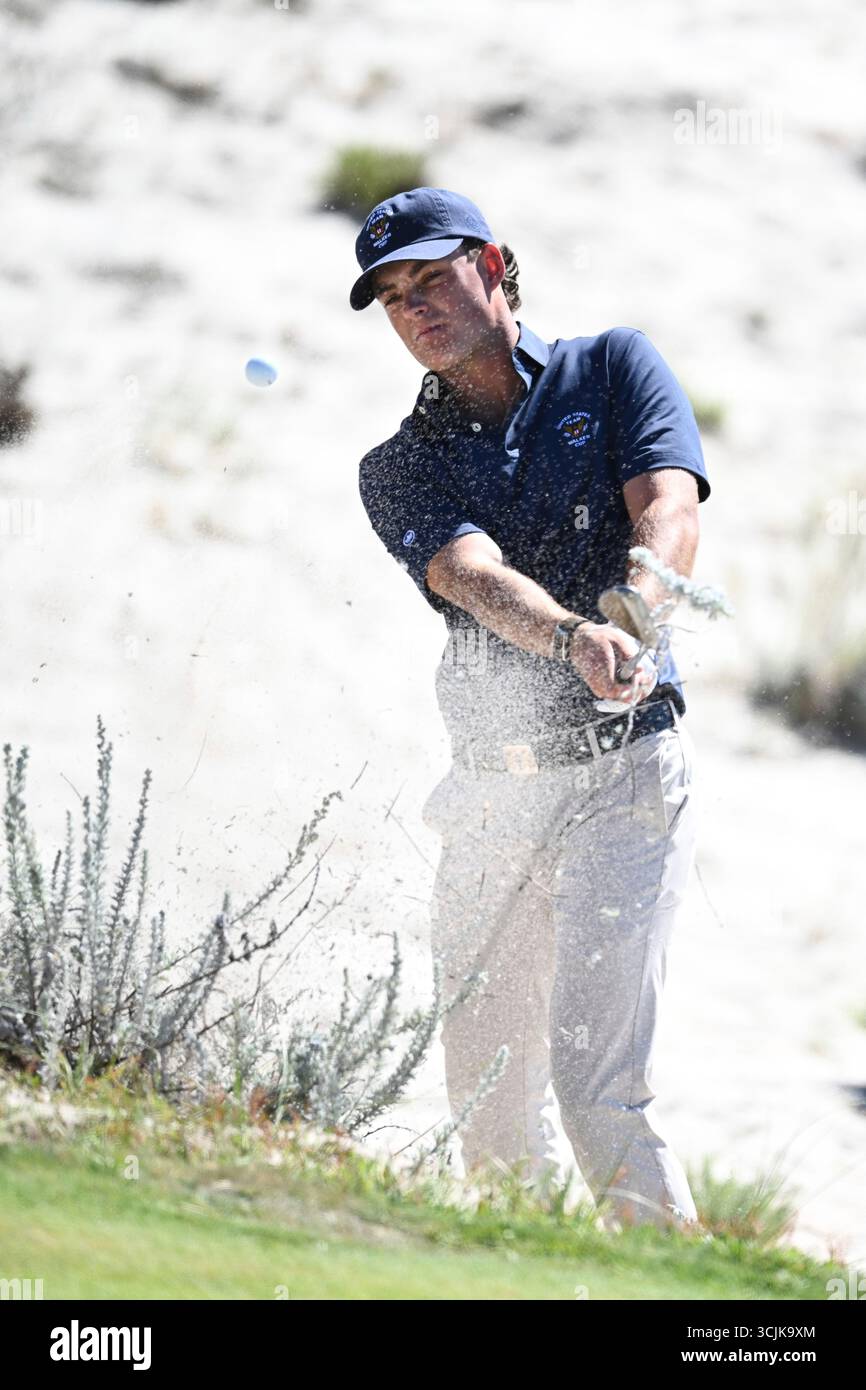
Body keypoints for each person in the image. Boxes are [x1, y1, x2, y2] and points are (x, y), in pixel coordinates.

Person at [350, 187, 711, 1232]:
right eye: (391, 296)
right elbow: (468, 574)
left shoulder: (613, 366)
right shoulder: (397, 465)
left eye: (431, 277)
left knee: (594, 1088)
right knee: (488, 1108)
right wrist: (568, 636)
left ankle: (686, 1295)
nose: (414, 306)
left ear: (493, 265)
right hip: (487, 800)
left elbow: (668, 505)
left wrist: (634, 616)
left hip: (622, 774)